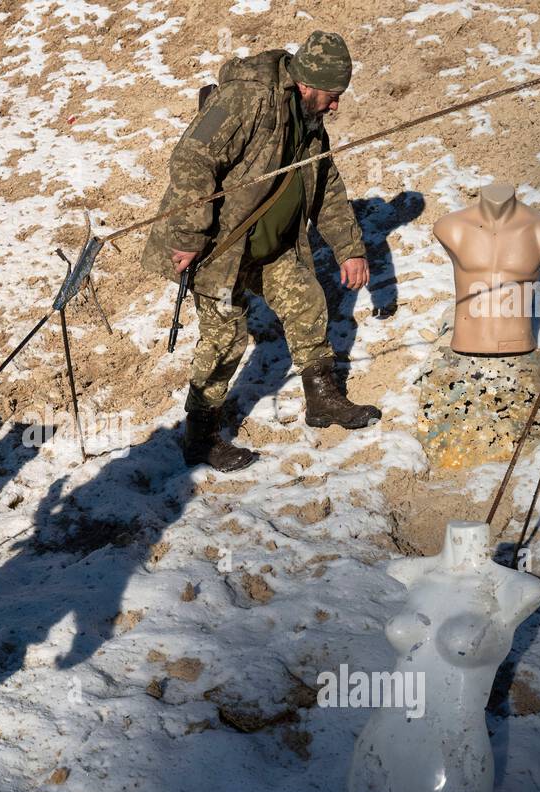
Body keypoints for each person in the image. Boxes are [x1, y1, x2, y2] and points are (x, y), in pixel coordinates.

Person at [142, 31, 381, 473]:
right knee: (224, 338)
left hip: (271, 248)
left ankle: (323, 398)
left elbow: (325, 183)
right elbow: (192, 158)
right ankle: (200, 437)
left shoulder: (309, 119)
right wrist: (189, 234)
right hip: (218, 250)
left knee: (307, 301)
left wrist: (349, 248)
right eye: (332, 96)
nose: (335, 105)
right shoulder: (247, 99)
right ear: (308, 84)